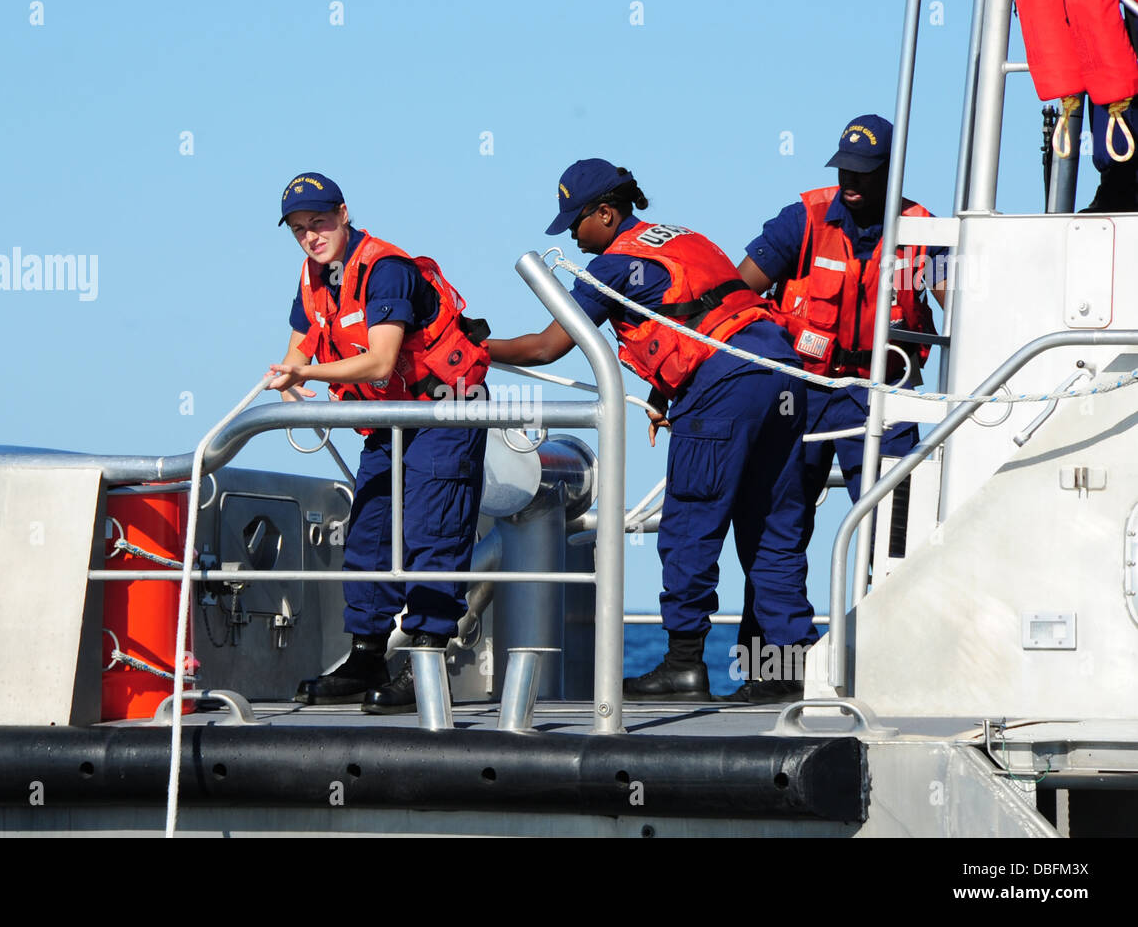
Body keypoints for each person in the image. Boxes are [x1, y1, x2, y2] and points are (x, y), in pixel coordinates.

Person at [486, 159, 818, 703]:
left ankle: (684, 666)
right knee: (772, 531)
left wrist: (473, 347)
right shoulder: (685, 238)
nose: (572, 234)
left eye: (576, 221)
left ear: (606, 213)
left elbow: (547, 346)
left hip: (725, 388)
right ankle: (787, 672)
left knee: (689, 524)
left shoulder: (614, 267)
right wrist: (669, 391)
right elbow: (705, 313)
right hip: (779, 376)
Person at [733, 114, 945, 696]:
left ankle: (895, 664)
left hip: (882, 396)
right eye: (845, 168)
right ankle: (773, 668)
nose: (851, 180)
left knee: (896, 533)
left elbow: (968, 308)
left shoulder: (925, 230)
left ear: (890, 171)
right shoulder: (801, 218)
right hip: (799, 392)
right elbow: (733, 296)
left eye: (865, 171)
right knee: (777, 526)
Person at [266, 172, 490, 713]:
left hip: (444, 411)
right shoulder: (312, 278)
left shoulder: (386, 271)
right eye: (299, 230)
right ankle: (367, 655)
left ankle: (427, 662)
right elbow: (297, 350)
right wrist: (289, 377)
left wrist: (309, 376)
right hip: (391, 422)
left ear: (343, 214)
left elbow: (382, 360)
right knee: (367, 534)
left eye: (318, 223)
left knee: (430, 535)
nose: (310, 237)